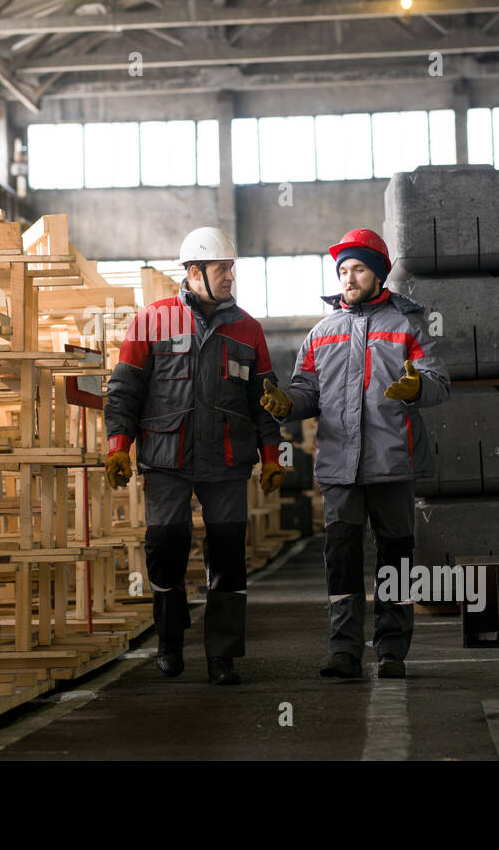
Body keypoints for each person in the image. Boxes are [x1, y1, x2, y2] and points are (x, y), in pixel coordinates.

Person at [259, 228, 450, 680]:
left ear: (379, 273)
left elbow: (439, 382)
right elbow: (307, 389)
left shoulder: (407, 326)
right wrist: (288, 404)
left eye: (358, 268)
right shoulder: (322, 333)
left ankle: (391, 651)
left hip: (392, 462)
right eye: (343, 270)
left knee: (396, 558)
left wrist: (417, 385)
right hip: (339, 467)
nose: (348, 277)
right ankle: (344, 650)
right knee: (341, 555)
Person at [104, 226, 285, 686]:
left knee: (227, 558)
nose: (229, 277)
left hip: (226, 460)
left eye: (231, 267)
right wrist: (117, 448)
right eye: (221, 268)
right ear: (193, 271)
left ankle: (221, 656)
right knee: (165, 549)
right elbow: (123, 392)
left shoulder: (248, 329)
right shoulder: (151, 321)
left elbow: (265, 399)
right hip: (166, 457)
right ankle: (169, 639)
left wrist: (271, 456)